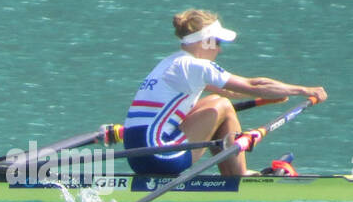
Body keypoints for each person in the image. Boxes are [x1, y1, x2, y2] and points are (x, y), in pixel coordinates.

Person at [123, 9, 327, 177]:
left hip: (137, 156)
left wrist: (269, 96)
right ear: (205, 41)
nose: (219, 50)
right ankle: (239, 176)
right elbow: (252, 85)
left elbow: (231, 91)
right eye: (217, 43)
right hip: (160, 158)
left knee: (217, 100)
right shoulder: (196, 66)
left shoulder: (171, 63)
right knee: (221, 105)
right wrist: (304, 90)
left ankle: (232, 174)